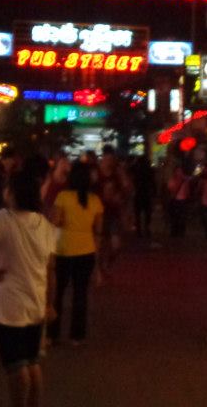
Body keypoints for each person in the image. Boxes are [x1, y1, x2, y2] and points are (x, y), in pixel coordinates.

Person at [0, 171, 58, 407]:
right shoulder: (45, 225)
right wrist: (49, 303)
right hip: (35, 306)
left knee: (18, 369)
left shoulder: (1, 220)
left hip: (6, 309)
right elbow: (50, 269)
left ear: (13, 193)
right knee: (32, 364)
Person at [49, 163, 103, 346]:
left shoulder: (63, 197)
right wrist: (97, 263)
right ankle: (76, 336)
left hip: (64, 249)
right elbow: (98, 232)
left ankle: (52, 333)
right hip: (86, 251)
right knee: (80, 294)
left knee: (58, 293)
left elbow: (55, 222)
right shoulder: (95, 200)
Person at [97, 147, 126, 277]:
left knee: (116, 246)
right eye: (106, 158)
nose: (108, 161)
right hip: (100, 213)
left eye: (111, 159)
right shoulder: (96, 173)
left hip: (114, 212)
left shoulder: (117, 173)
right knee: (100, 244)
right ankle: (100, 269)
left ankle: (106, 264)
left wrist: (120, 195)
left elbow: (127, 189)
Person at [130, 156, 157, 240]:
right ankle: (147, 228)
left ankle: (139, 230)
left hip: (138, 193)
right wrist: (154, 192)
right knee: (147, 212)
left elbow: (130, 171)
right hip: (147, 193)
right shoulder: (150, 170)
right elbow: (153, 182)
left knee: (137, 213)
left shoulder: (136, 170)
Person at [167, 163, 191, 238]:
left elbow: (187, 193)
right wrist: (180, 182)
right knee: (174, 217)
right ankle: (174, 232)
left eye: (180, 171)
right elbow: (172, 191)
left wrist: (186, 183)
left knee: (182, 217)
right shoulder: (172, 180)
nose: (179, 173)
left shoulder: (185, 181)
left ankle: (181, 232)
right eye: (177, 171)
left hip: (182, 200)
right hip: (174, 200)